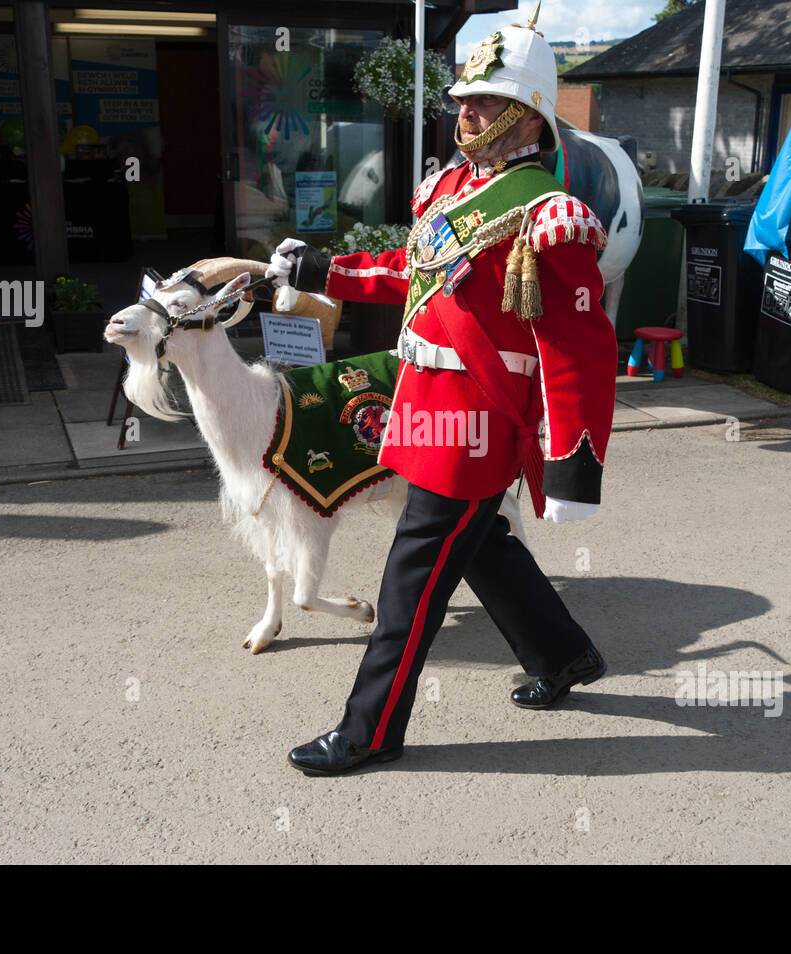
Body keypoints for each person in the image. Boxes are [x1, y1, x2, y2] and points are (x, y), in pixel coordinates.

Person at [266, 4, 617, 776]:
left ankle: (371, 729)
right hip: (425, 405)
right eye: (463, 98)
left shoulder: (545, 214)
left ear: (527, 118)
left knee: (411, 583)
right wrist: (323, 272)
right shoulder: (453, 188)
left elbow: (579, 346)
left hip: (478, 422)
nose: (466, 111)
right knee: (483, 545)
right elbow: (414, 278)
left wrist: (573, 461)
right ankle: (565, 656)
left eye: (486, 100)